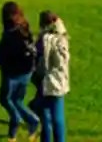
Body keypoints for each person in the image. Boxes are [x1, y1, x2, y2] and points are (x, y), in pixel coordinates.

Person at [0, 1, 40, 142]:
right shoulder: (24, 27)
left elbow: (2, 55)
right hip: (26, 72)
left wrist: (0, 61)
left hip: (12, 74)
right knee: (17, 100)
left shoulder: (9, 35)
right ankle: (13, 135)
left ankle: (23, 119)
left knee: (5, 100)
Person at [33, 11, 70, 142]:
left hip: (47, 80)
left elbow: (38, 57)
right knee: (54, 115)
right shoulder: (62, 36)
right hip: (59, 81)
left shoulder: (46, 39)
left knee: (50, 116)